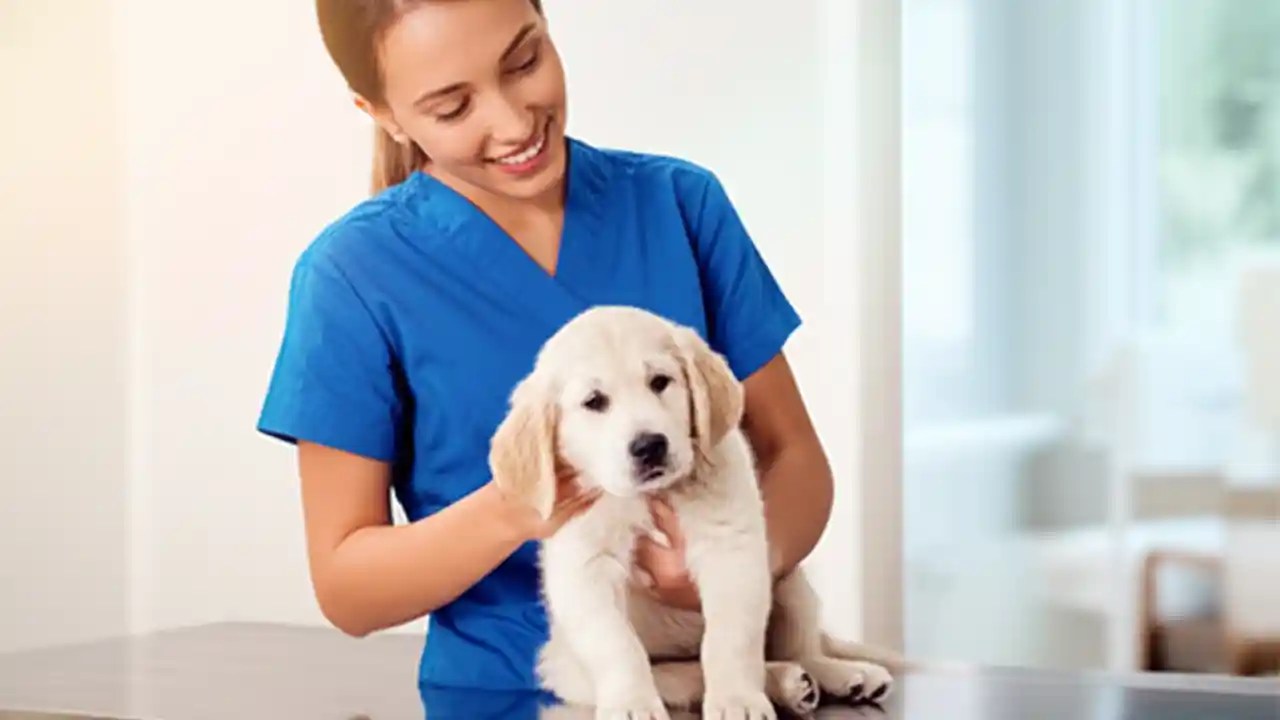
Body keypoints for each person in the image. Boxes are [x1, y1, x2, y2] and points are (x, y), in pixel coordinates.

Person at [257, 0, 834, 701]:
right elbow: (349, 589)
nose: (513, 122)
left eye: (524, 61)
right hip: (505, 698)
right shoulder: (352, 275)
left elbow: (793, 455)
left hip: (729, 690)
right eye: (451, 107)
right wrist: (519, 504)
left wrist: (734, 569)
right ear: (382, 113)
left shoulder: (678, 204)